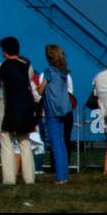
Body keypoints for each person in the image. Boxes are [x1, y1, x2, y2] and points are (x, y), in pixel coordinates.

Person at [0, 37, 39, 186]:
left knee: (6, 143)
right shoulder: (27, 67)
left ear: (4, 51)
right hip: (24, 107)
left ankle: (9, 178)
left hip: (6, 106)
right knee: (25, 142)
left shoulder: (0, 66)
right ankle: (29, 178)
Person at [35, 44, 75, 184]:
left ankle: (60, 176)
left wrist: (37, 88)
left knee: (55, 143)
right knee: (62, 143)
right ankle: (64, 174)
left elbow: (40, 91)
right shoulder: (64, 72)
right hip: (64, 110)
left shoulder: (49, 72)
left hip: (52, 111)